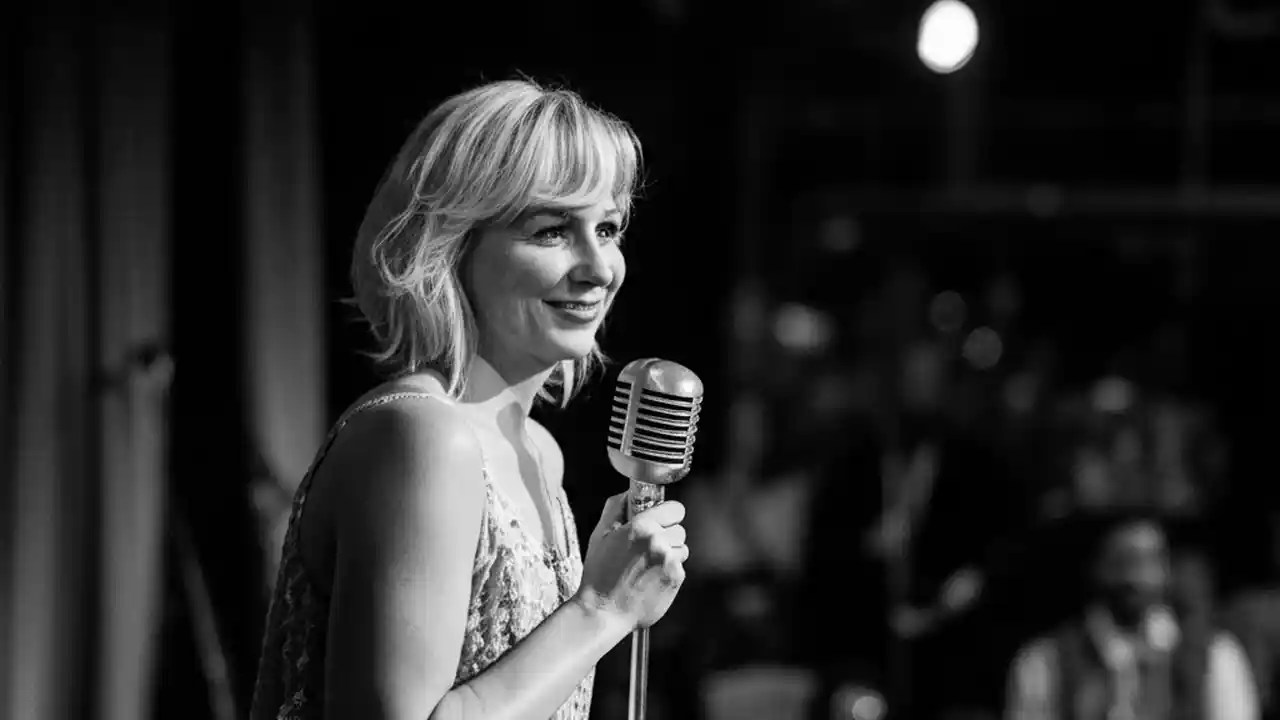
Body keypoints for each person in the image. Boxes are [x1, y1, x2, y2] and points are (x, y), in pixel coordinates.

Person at [250, 78, 690, 720]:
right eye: (551, 231)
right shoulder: (424, 436)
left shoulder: (539, 452)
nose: (599, 268)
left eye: (608, 228)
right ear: (451, 244)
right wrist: (602, 609)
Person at [1004, 512, 1258, 720]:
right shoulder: (1046, 660)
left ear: (1167, 570)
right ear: (1097, 568)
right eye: (1124, 561)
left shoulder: (1215, 654)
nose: (1137, 576)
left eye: (1151, 560)